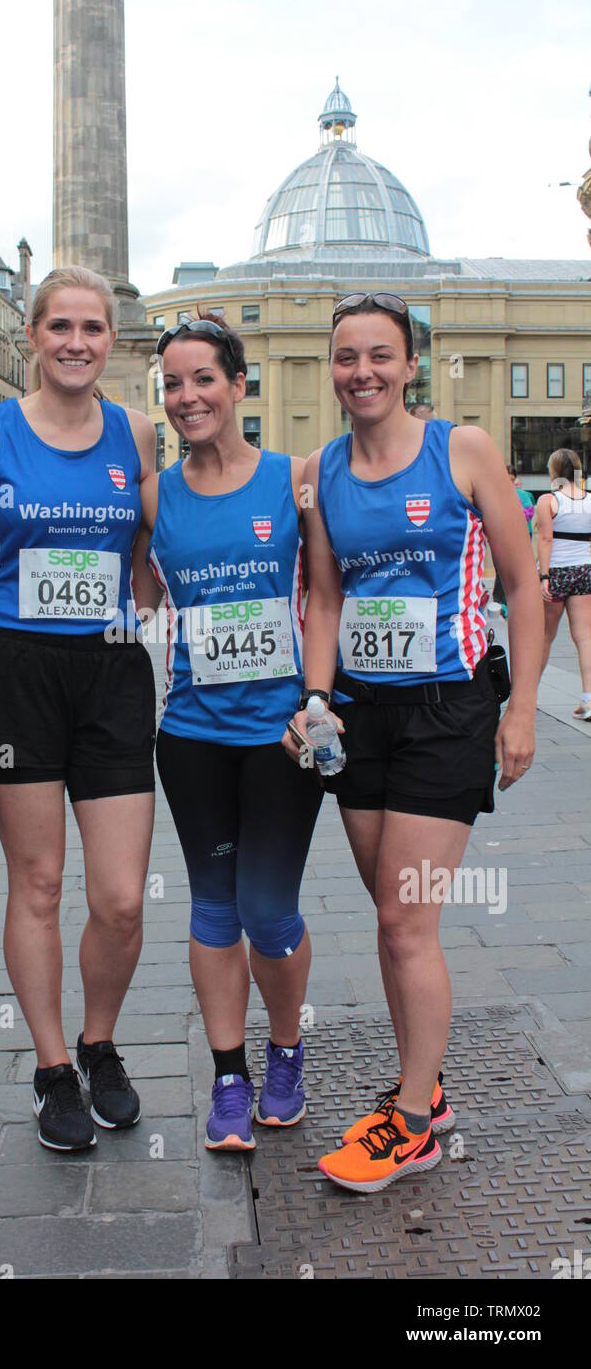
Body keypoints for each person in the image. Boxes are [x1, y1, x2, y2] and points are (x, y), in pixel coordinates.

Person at [283, 291, 541, 1193]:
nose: (363, 372)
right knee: (394, 922)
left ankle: (418, 1121)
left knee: (405, 919)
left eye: (380, 355)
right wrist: (316, 698)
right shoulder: (322, 470)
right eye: (347, 356)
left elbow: (523, 582)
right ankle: (420, 1083)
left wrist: (523, 708)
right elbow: (322, 597)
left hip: (448, 709)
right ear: (333, 365)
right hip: (361, 716)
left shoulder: (459, 450)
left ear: (409, 364)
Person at [0, 265, 157, 1152]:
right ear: (31, 335)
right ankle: (53, 1066)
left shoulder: (136, 432)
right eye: (59, 326)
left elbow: (154, 537)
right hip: (15, 667)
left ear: (110, 338)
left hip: (109, 669)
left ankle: (102, 1043)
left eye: (92, 329)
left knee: (122, 896)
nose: (75, 343)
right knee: (38, 881)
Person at [132, 313, 323, 1151]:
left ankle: (286, 1053)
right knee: (213, 905)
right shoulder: (154, 495)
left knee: (267, 909)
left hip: (283, 737)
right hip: (192, 736)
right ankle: (230, 1074)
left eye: (203, 378)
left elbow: (329, 594)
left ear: (239, 385)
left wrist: (316, 698)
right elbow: (130, 593)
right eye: (172, 384)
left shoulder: (293, 479)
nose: (186, 397)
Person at [536, 447, 591, 719]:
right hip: (585, 571)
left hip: (556, 573)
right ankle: (588, 699)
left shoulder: (548, 500)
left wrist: (543, 576)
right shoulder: (590, 499)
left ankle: (529, 695)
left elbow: (545, 539)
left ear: (554, 470)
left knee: (545, 637)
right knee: (584, 637)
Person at [491, 464, 535, 617]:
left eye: (510, 479)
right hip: (500, 536)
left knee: (520, 571)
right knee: (501, 571)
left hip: (522, 536)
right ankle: (501, 605)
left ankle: (518, 604)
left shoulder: (523, 495)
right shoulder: (494, 494)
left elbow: (529, 514)